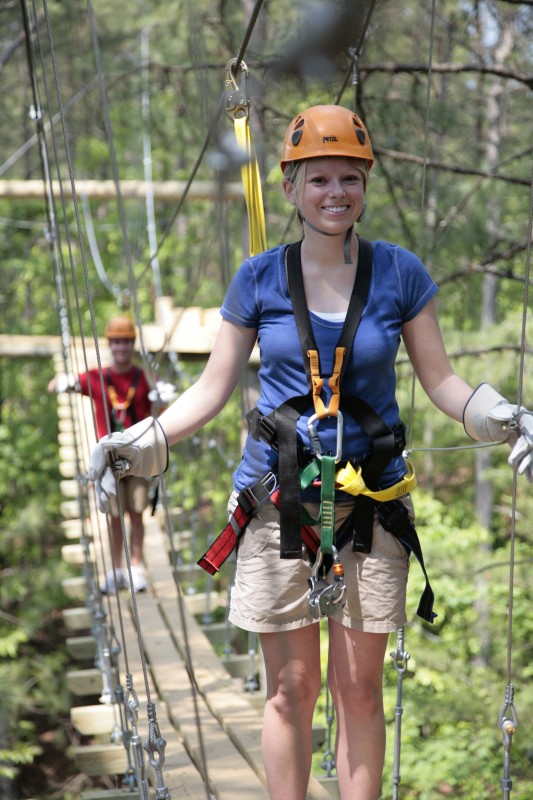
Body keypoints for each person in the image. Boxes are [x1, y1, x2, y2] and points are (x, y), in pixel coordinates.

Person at [87, 106, 533, 799]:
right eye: (317, 178)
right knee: (290, 688)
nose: (334, 193)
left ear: (364, 186)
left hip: (372, 503)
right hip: (276, 502)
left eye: (348, 178)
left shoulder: (399, 273)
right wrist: (135, 441)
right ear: (290, 189)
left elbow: (441, 381)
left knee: (357, 690)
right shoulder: (259, 279)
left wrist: (503, 415)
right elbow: (211, 389)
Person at [49, 316, 155, 594]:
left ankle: (136, 568)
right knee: (114, 517)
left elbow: (158, 416)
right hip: (108, 460)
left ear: (132, 344)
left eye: (126, 342)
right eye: (116, 342)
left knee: (137, 513)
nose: (121, 347)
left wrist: (162, 399)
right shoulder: (97, 377)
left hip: (137, 457)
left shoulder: (142, 378)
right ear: (110, 344)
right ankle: (116, 570)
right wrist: (64, 382)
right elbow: (53, 386)